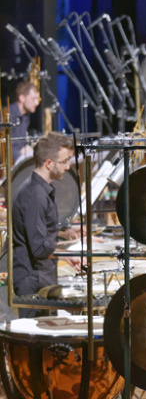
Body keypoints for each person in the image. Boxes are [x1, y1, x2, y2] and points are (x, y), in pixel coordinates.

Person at [11, 132, 81, 312]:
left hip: (42, 277)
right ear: (48, 163)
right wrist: (68, 255)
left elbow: (41, 231)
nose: (68, 167)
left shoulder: (41, 191)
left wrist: (65, 233)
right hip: (33, 281)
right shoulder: (34, 195)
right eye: (64, 161)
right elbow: (39, 248)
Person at [9, 80, 41, 162]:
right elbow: (4, 145)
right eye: (34, 99)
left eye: (38, 99)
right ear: (22, 98)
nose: (37, 103)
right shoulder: (7, 115)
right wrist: (20, 155)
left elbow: (21, 143)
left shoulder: (26, 117)